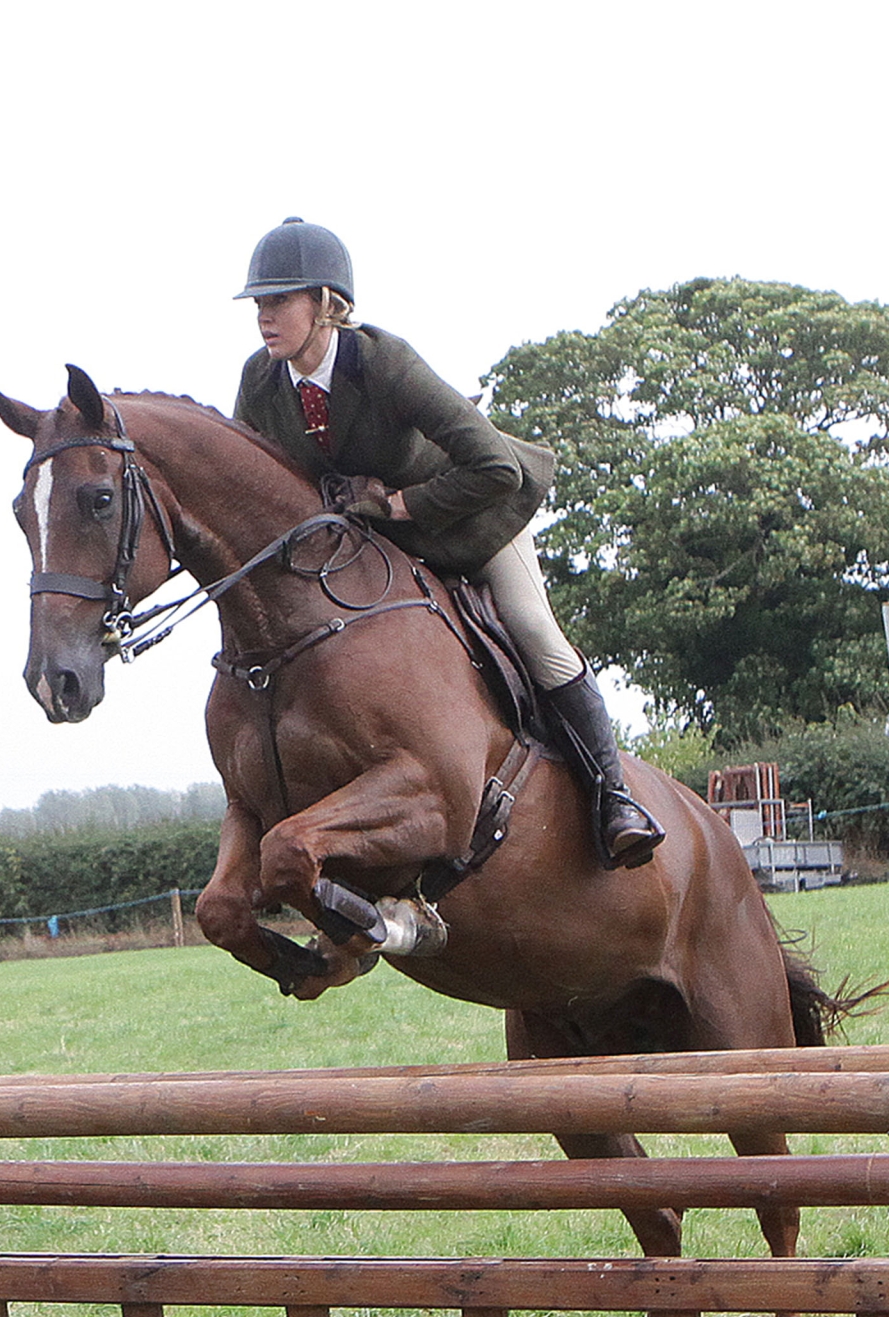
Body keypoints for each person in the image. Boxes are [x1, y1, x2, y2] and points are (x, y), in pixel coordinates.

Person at [231, 217, 663, 870]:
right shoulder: (261, 382)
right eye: (259, 303)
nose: (264, 316)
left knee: (533, 629)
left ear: (326, 303)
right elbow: (256, 482)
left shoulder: (384, 362)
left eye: (279, 300)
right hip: (375, 551)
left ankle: (615, 799)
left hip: (473, 519)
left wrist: (398, 504)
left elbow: (496, 467)